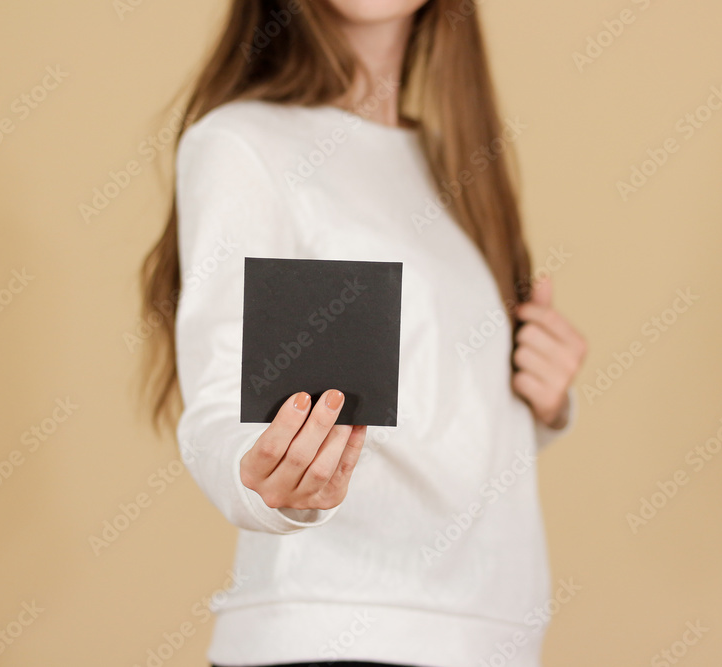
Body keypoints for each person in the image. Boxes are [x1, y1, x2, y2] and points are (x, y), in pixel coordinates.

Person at [140, 1, 587, 665]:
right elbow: (219, 401)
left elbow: (439, 415)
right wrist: (263, 482)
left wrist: (544, 400)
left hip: (493, 638)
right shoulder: (243, 142)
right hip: (334, 634)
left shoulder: (456, 168)